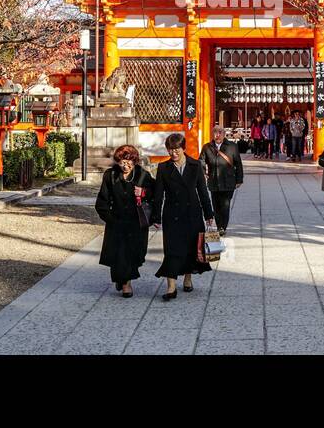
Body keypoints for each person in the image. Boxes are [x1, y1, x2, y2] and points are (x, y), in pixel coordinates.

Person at [152, 133, 216, 301]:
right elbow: (159, 195)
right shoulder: (163, 168)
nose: (173, 153)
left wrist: (209, 215)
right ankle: (171, 286)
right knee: (172, 250)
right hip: (172, 214)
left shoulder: (195, 166)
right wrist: (156, 216)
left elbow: (203, 192)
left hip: (192, 213)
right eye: (170, 150)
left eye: (177, 149)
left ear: (183, 148)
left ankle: (188, 277)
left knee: (190, 247)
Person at [94, 144, 155, 297]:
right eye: (122, 162)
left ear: (135, 161)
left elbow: (155, 193)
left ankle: (123, 278)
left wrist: (144, 192)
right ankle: (126, 283)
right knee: (119, 254)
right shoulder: (110, 175)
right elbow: (102, 200)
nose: (125, 165)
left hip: (136, 222)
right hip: (117, 220)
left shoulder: (142, 175)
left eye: (129, 162)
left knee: (135, 254)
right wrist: (110, 218)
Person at [200, 125, 244, 235]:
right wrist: (203, 173)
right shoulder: (207, 147)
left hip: (228, 180)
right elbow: (201, 161)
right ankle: (219, 225)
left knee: (225, 205)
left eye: (220, 132)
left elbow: (238, 163)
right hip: (214, 180)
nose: (217, 135)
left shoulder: (232, 146)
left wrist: (239, 179)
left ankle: (222, 227)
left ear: (224, 134)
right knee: (215, 204)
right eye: (215, 132)